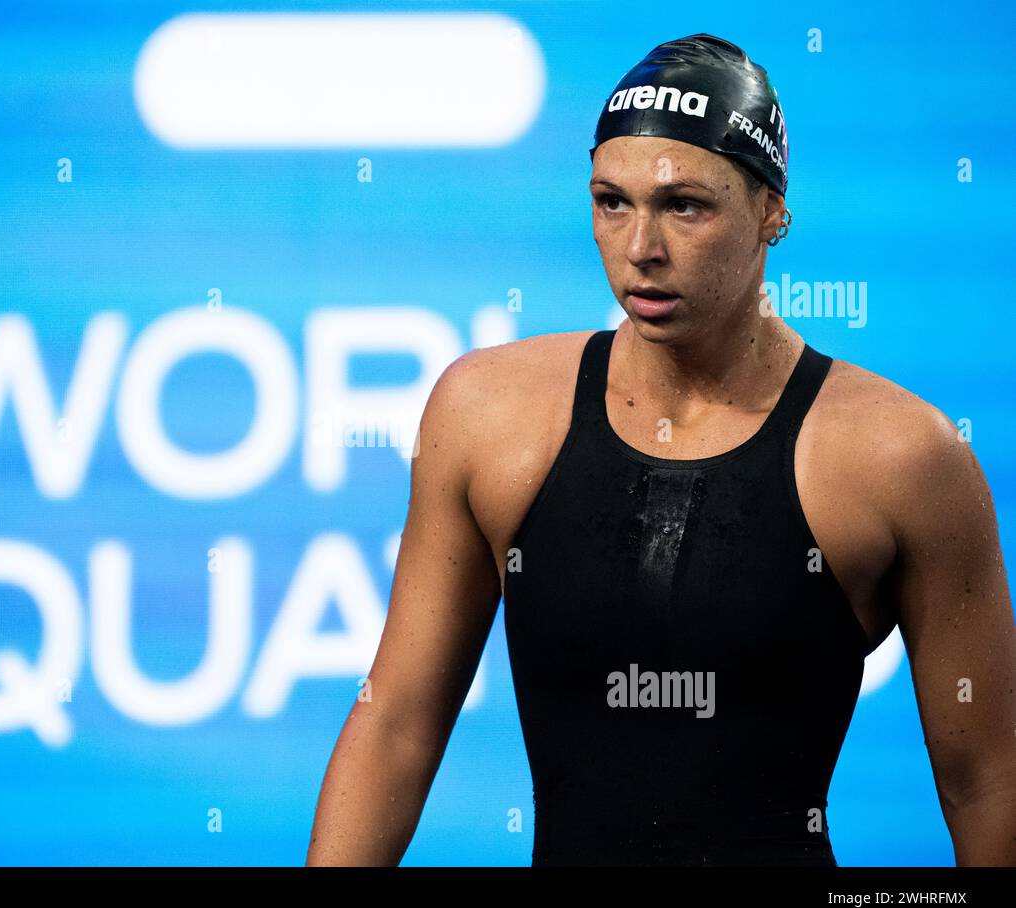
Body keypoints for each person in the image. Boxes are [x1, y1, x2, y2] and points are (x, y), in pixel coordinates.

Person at [305, 34, 1016, 865]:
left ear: (771, 211)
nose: (641, 246)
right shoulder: (487, 415)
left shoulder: (900, 456)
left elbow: (987, 780)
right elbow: (397, 723)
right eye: (612, 201)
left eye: (685, 206)